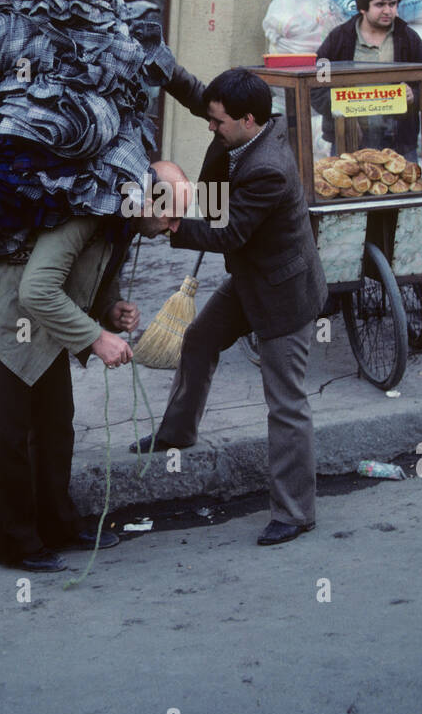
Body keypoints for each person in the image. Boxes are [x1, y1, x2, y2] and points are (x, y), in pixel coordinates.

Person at [132, 67, 328, 548]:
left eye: (218, 123)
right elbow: (201, 96)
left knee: (286, 403)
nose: (210, 127)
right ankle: (178, 432)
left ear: (246, 120)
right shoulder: (244, 124)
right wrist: (168, 68)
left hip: (283, 293)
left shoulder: (268, 168)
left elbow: (228, 233)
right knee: (198, 339)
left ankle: (295, 511)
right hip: (252, 278)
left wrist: (169, 224)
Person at [0, 165, 186, 572]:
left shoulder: (122, 219)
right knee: (9, 432)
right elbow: (37, 288)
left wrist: (109, 308)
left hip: (46, 324)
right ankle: (16, 544)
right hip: (5, 316)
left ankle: (58, 524)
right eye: (170, 216)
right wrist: (97, 338)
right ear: (148, 200)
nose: (172, 227)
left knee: (55, 425)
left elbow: (94, 268)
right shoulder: (88, 214)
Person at [312, 0, 422, 155]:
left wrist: (414, 96)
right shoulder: (340, 38)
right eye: (379, 5)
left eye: (392, 4)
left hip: (398, 144)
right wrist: (342, 113)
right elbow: (316, 85)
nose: (388, 11)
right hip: (348, 142)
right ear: (363, 8)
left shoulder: (408, 39)